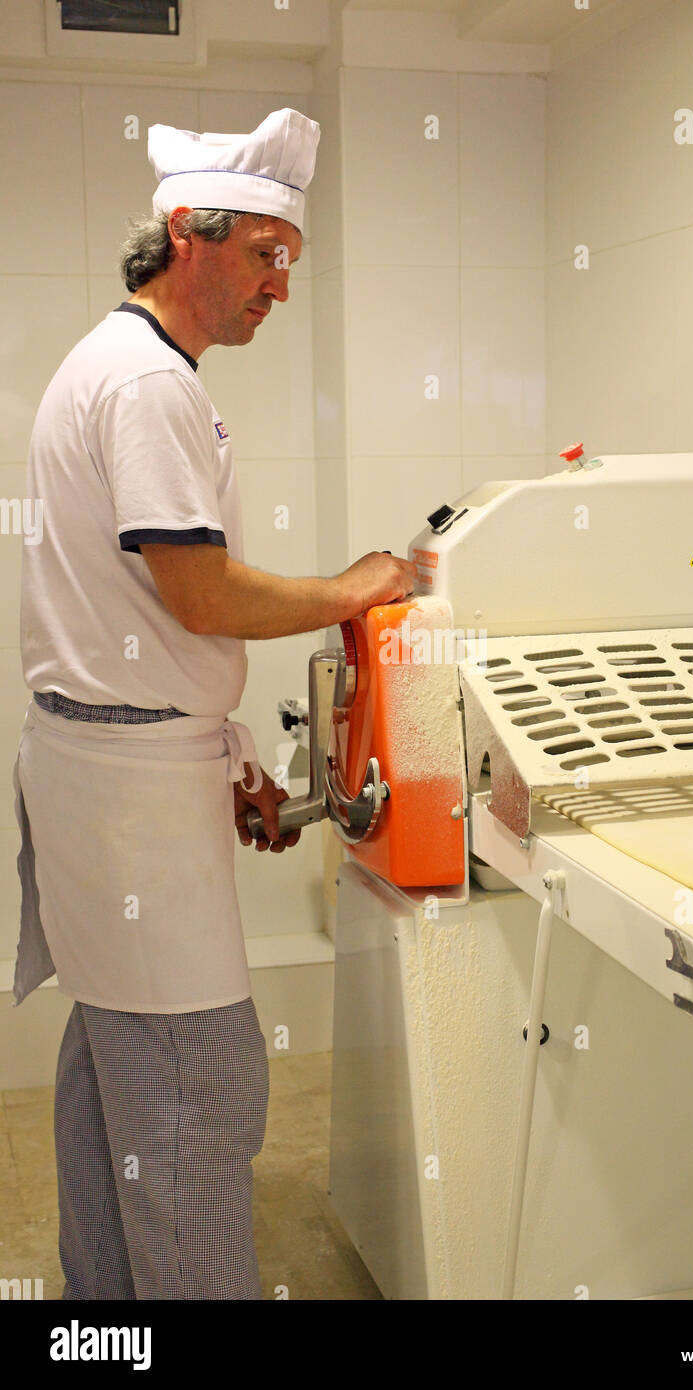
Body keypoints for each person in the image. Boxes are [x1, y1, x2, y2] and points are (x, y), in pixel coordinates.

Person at [11, 108, 416, 1300]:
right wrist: (353, 584)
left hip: (117, 767)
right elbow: (195, 591)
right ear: (190, 233)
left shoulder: (130, 366)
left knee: (113, 1076)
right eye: (264, 255)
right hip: (125, 791)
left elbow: (149, 612)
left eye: (289, 260)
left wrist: (221, 748)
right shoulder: (145, 382)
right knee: (199, 1092)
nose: (280, 287)